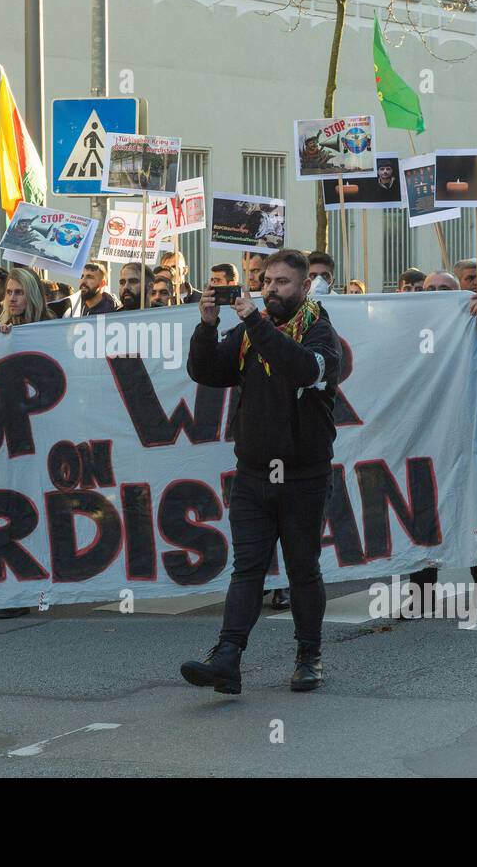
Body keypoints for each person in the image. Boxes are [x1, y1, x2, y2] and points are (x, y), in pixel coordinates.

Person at [180, 249, 341, 694]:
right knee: (247, 567)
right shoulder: (254, 332)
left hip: (304, 476)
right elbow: (207, 371)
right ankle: (227, 656)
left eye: (283, 282)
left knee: (302, 569)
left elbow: (301, 369)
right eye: (266, 281)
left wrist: (254, 322)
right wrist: (208, 325)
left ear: (305, 287)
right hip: (253, 474)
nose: (271, 289)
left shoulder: (321, 334)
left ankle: (309, 655)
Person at [407, 272, 477, 609]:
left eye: (444, 290)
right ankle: (422, 595)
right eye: (429, 290)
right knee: (422, 513)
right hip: (423, 438)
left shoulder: (474, 323)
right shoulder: (406, 329)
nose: (436, 295)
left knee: (475, 508)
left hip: (470, 433)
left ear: (460, 294)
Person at [0, 266, 56, 621]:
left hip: (45, 436)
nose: (12, 298)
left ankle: (44, 584)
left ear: (31, 294)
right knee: (14, 510)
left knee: (45, 508)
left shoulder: (53, 327)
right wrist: (0, 341)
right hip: (10, 438)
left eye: (18, 292)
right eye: (9, 292)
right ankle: (15, 589)